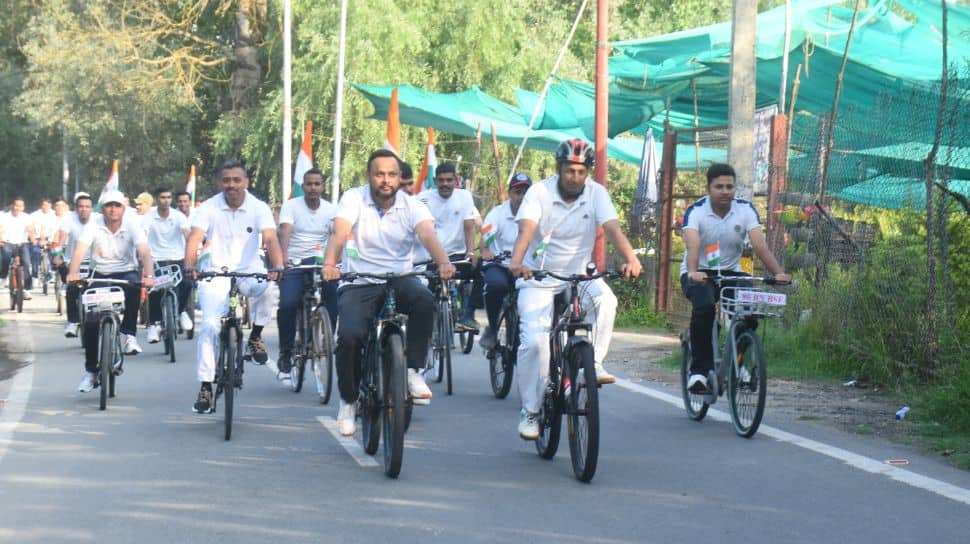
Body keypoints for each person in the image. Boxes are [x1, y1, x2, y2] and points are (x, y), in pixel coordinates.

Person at [509, 138, 642, 440]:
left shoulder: (597, 194)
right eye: (570, 171)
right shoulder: (539, 192)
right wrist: (517, 261)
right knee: (535, 343)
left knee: (606, 300)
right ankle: (531, 410)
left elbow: (612, 229)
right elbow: (526, 230)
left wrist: (631, 259)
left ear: (588, 172)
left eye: (581, 172)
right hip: (538, 277)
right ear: (559, 169)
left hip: (579, 275)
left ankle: (591, 361)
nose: (575, 178)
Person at [322, 149, 455, 436]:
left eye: (392, 174)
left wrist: (443, 262)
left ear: (400, 178)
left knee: (423, 300)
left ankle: (412, 371)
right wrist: (331, 263)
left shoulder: (412, 205)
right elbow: (339, 232)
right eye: (379, 174)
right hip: (360, 280)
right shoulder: (354, 198)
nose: (386, 180)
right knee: (349, 336)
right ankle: (348, 401)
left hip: (399, 277)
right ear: (369, 176)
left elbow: (427, 234)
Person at [183, 160, 284, 414]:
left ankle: (256, 336)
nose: (231, 185)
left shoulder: (258, 207)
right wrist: (190, 265)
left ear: (246, 182)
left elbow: (270, 238)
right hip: (215, 271)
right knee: (208, 326)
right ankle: (206, 386)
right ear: (220, 183)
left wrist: (278, 266)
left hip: (249, 269)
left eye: (236, 180)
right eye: (226, 180)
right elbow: (195, 237)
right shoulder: (208, 207)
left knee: (270, 287)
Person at [680, 163, 790, 394]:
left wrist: (778, 273)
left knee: (749, 313)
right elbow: (693, 245)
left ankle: (738, 364)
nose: (724, 191)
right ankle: (699, 372)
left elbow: (759, 245)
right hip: (700, 272)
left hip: (731, 272)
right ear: (708, 187)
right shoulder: (697, 211)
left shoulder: (745, 210)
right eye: (718, 186)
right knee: (705, 309)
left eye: (729, 186)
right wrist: (692, 272)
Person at [66, 190, 154, 392]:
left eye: (117, 205)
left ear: (123, 208)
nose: (113, 209)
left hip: (126, 273)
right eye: (108, 205)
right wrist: (73, 272)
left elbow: (144, 252)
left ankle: (129, 334)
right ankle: (91, 371)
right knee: (90, 322)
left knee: (134, 288)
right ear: (102, 209)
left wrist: (148, 276)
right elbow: (79, 249)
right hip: (99, 274)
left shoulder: (132, 224)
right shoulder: (93, 225)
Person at [276, 168, 338, 380]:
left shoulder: (331, 210)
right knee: (288, 303)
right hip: (294, 261)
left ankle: (329, 338)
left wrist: (335, 261)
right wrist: (283, 257)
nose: (313, 188)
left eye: (317, 184)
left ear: (323, 187)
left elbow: (336, 236)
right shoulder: (291, 206)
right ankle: (285, 352)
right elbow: (285, 231)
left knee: (334, 293)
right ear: (303, 187)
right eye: (309, 184)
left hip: (320, 262)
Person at [415, 162, 480, 332]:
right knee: (423, 296)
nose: (445, 184)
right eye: (441, 180)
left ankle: (468, 315)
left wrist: (471, 251)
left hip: (457, 255)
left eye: (449, 180)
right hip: (431, 258)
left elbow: (469, 226)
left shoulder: (465, 196)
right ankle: (425, 331)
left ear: (456, 180)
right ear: (435, 181)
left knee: (483, 269)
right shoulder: (423, 198)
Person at [478, 172, 531, 349]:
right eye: (518, 192)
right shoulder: (498, 213)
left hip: (525, 266)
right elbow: (486, 234)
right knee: (495, 286)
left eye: (526, 192)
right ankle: (492, 328)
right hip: (499, 263)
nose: (522, 197)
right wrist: (485, 250)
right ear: (510, 193)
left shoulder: (535, 214)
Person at [144, 187, 193, 344]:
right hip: (155, 259)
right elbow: (143, 236)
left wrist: (191, 259)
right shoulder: (148, 217)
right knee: (154, 289)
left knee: (187, 282)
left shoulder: (178, 216)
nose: (166, 200)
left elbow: (187, 235)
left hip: (176, 258)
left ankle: (181, 311)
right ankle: (153, 324)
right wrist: (142, 257)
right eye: (162, 197)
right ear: (156, 199)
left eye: (168, 197)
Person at [55, 192, 100, 337]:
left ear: (92, 208)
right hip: (72, 261)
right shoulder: (69, 220)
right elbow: (61, 240)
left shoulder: (98, 220)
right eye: (81, 206)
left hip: (93, 262)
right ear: (76, 208)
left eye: (87, 207)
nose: (84, 209)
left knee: (97, 290)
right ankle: (72, 322)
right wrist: (58, 256)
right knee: (72, 290)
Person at [0, 198, 37, 298]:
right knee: (5, 259)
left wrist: (33, 239)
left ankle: (27, 289)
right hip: (7, 242)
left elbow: (30, 229)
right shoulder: (4, 217)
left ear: (23, 207)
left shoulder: (26, 217)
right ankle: (3, 278)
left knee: (26, 263)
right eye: (16, 206)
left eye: (20, 206)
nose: (18, 208)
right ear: (12, 206)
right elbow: (1, 228)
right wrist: (1, 239)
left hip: (22, 243)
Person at [31, 197, 60, 284]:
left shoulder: (55, 215)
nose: (45, 207)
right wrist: (35, 239)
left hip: (51, 239)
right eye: (44, 205)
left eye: (47, 205)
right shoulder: (34, 215)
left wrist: (51, 240)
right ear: (41, 205)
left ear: (51, 205)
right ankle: (35, 276)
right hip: (37, 239)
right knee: (35, 253)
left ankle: (53, 272)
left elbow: (57, 230)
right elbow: (31, 229)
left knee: (56, 252)